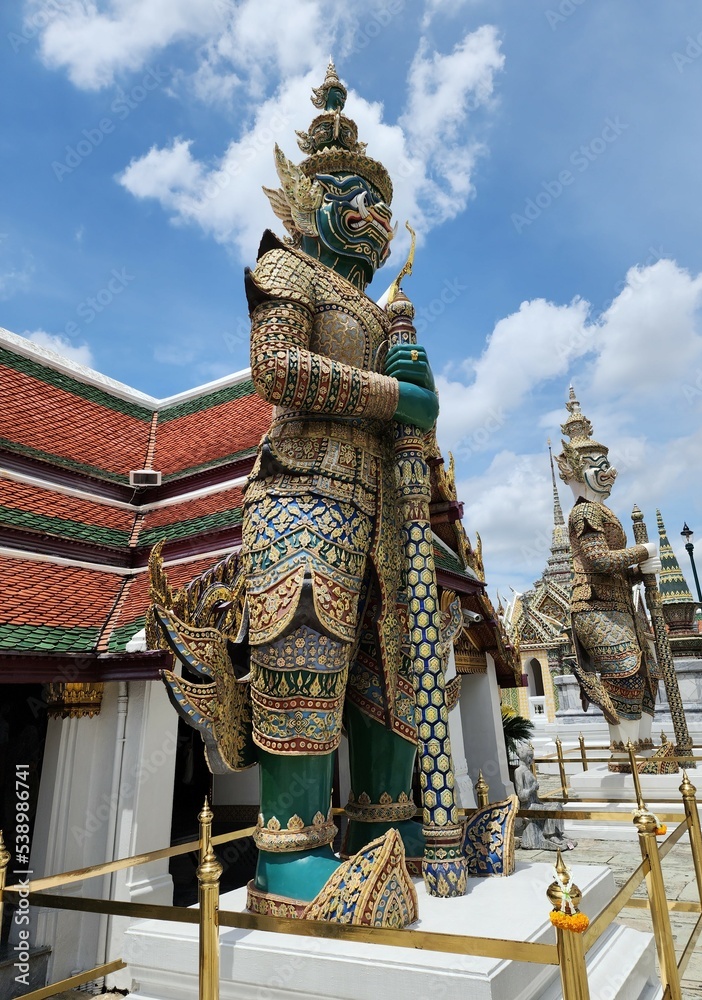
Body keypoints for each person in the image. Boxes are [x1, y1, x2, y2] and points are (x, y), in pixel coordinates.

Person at [152, 63, 438, 920]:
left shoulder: (378, 310)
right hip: (302, 494)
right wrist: (396, 395)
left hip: (380, 506)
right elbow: (275, 371)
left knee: (388, 664)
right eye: (350, 193)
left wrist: (415, 399)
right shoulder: (288, 273)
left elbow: (409, 424)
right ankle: (289, 851)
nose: (372, 214)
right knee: (304, 650)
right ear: (308, 201)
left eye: (378, 201)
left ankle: (391, 821)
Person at [555, 388, 662, 770]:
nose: (607, 470)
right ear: (576, 470)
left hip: (620, 606)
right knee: (627, 672)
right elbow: (599, 561)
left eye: (606, 461)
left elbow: (613, 565)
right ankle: (627, 755)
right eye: (597, 463)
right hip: (595, 607)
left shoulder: (606, 512)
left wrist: (636, 571)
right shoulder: (584, 514)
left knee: (648, 674)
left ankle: (643, 749)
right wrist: (643, 553)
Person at [514, 743, 575, 850]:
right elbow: (522, 795)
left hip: (536, 803)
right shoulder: (519, 771)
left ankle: (558, 833)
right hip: (528, 807)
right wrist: (533, 788)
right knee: (552, 809)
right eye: (530, 757)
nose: (531, 759)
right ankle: (550, 835)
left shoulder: (528, 771)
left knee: (557, 805)